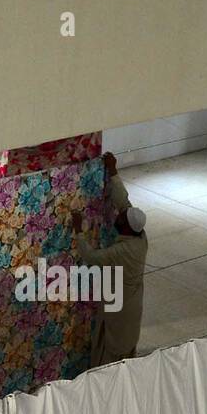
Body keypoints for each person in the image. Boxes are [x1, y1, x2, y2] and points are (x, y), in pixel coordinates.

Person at [71, 152, 148, 366]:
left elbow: (91, 257)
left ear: (126, 227)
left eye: (120, 219)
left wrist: (78, 231)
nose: (117, 216)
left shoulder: (125, 250)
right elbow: (123, 202)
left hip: (122, 307)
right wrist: (112, 169)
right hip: (129, 300)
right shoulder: (139, 236)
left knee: (114, 349)